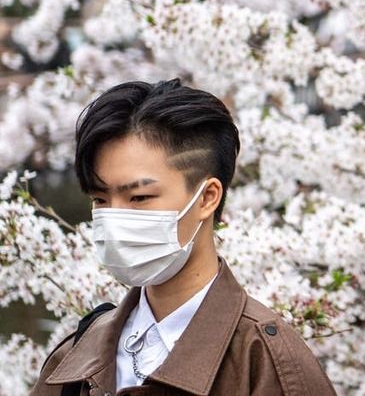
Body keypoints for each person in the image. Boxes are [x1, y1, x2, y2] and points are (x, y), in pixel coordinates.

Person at [29, 78, 337, 395]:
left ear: (207, 198)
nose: (114, 217)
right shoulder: (77, 357)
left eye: (139, 198)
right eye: (100, 200)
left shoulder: (266, 363)